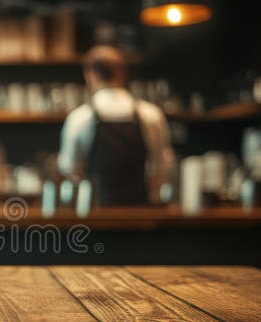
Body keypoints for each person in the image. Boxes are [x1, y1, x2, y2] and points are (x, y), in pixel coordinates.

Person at [57, 45, 174, 206]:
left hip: (95, 214)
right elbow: (161, 166)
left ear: (89, 75)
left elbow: (69, 169)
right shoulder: (151, 115)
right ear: (122, 73)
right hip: (141, 214)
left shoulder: (79, 118)